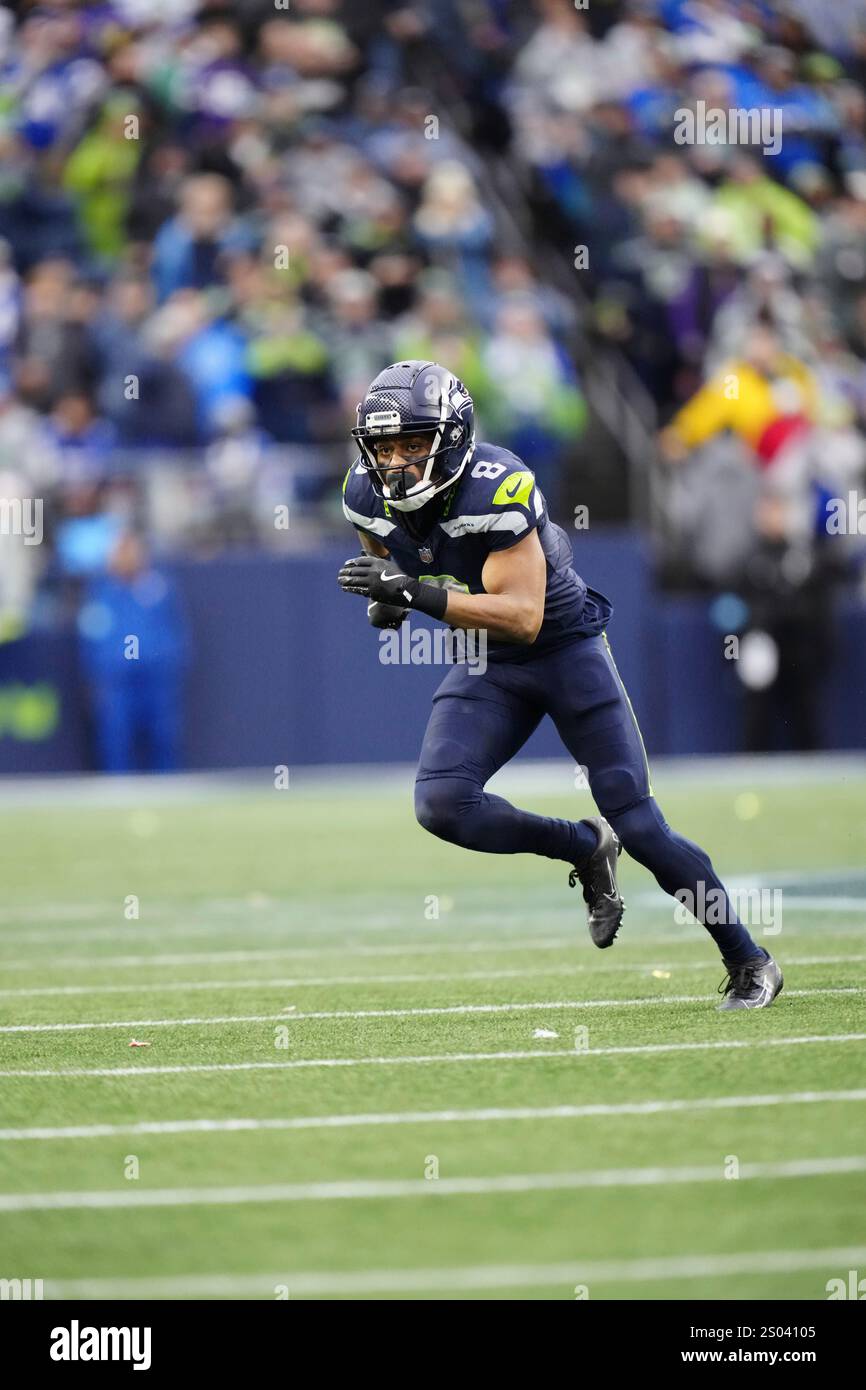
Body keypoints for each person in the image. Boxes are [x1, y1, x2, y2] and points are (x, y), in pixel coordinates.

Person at [338, 360, 783, 1010]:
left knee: (641, 825)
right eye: (385, 447)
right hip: (487, 660)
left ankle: (750, 960)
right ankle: (582, 845)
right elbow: (381, 557)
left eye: (412, 444)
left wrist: (412, 593)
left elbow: (523, 617)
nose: (396, 462)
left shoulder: (498, 483)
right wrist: (387, 598)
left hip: (564, 648)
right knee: (441, 804)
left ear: (453, 438)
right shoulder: (362, 494)